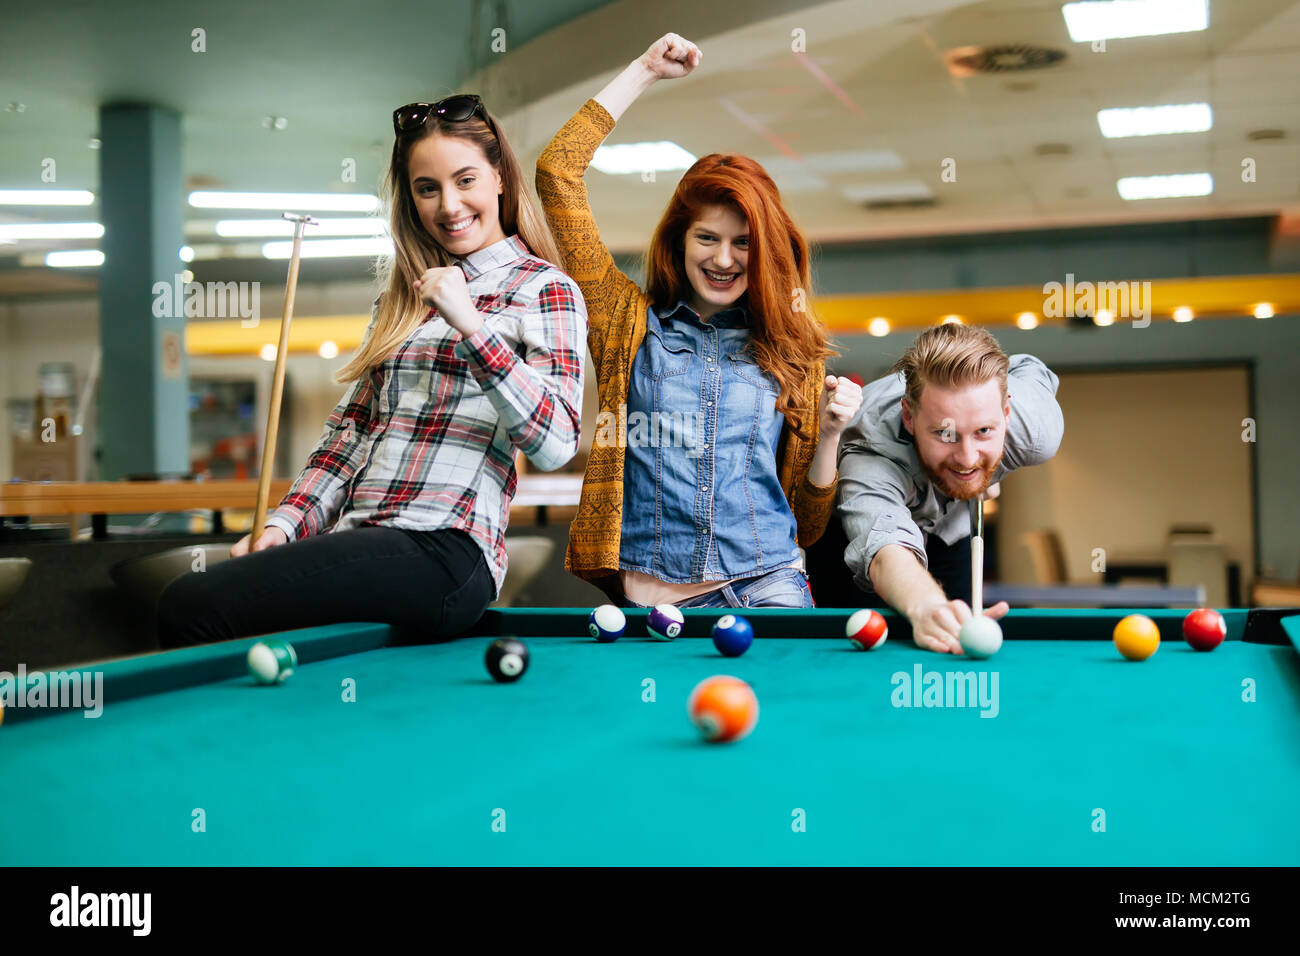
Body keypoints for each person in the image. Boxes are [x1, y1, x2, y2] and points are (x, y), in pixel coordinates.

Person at [157, 94, 586, 647]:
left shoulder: (545, 289)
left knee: (190, 603)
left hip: (446, 549)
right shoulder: (402, 301)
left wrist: (472, 327)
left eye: (465, 180)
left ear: (500, 177)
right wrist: (284, 527)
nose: (448, 205)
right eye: (426, 188)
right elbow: (348, 438)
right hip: (370, 540)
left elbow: (556, 442)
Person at [536, 33, 863, 610]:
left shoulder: (792, 352)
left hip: (771, 583)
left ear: (764, 251)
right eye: (707, 237)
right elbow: (557, 173)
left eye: (742, 243)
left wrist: (832, 436)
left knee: (795, 703)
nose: (722, 258)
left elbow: (807, 526)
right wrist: (643, 70)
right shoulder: (624, 321)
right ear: (678, 241)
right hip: (661, 599)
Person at [828, 323, 1063, 653]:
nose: (967, 458)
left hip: (951, 526)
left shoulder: (1035, 431)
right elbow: (884, 549)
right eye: (944, 433)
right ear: (909, 418)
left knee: (954, 627)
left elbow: (1029, 367)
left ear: (1006, 413)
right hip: (850, 538)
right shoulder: (870, 450)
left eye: (983, 430)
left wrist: (988, 475)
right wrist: (925, 608)